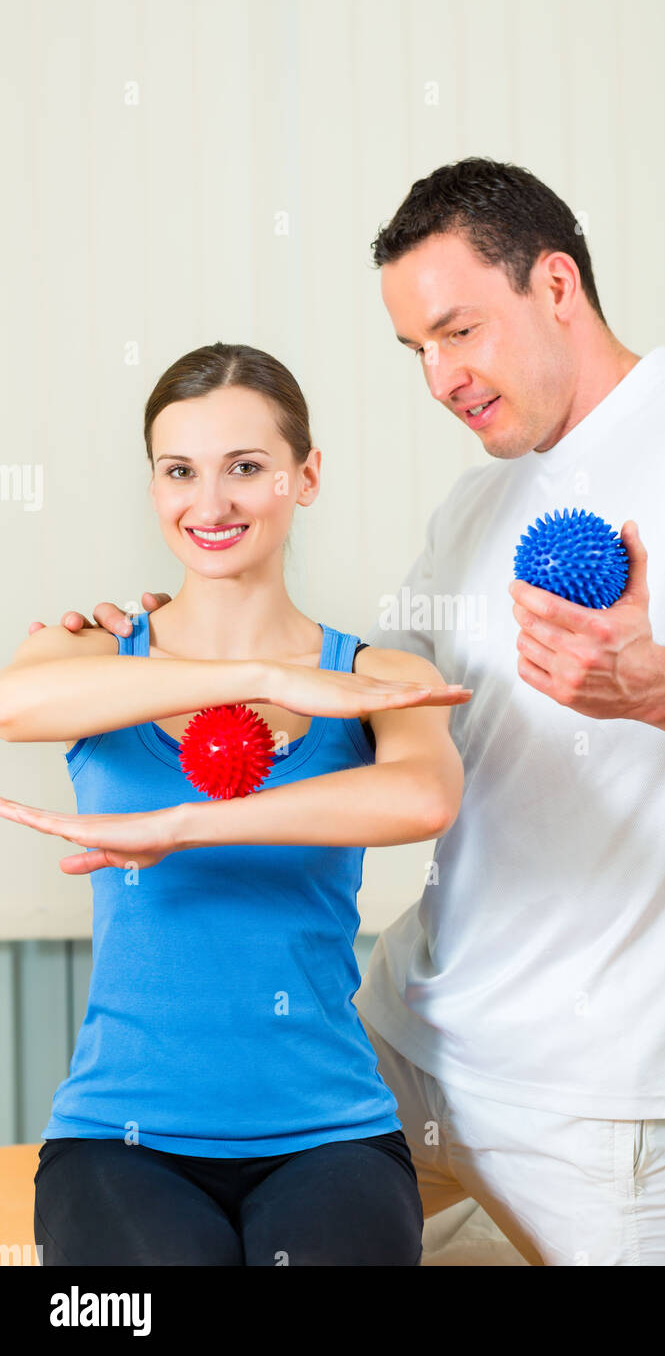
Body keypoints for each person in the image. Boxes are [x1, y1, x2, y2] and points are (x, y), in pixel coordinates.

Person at [36, 159, 665, 1267]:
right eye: (415, 351)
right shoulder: (482, 494)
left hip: (608, 1097)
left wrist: (654, 683)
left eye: (457, 331)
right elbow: (376, 698)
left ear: (556, 284)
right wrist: (177, 644)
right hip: (407, 1048)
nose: (439, 377)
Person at [0, 340, 472, 1267]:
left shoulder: (381, 677)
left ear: (306, 476)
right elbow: (14, 706)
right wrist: (264, 671)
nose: (209, 505)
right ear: (154, 487)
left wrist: (179, 827)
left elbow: (422, 797)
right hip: (119, 1138)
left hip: (331, 1136)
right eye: (180, 471)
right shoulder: (93, 655)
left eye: (246, 468)